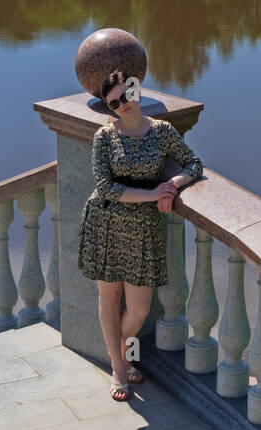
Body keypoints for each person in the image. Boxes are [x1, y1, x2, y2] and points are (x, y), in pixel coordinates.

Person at [77, 69, 203, 399]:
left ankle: (117, 349)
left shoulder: (161, 132)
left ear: (136, 91)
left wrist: (173, 186)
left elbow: (193, 165)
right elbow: (104, 186)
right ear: (109, 107)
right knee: (109, 299)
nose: (122, 104)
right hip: (104, 223)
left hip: (142, 230)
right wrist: (154, 194)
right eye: (114, 102)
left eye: (126, 95)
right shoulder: (104, 137)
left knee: (140, 309)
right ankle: (119, 369)